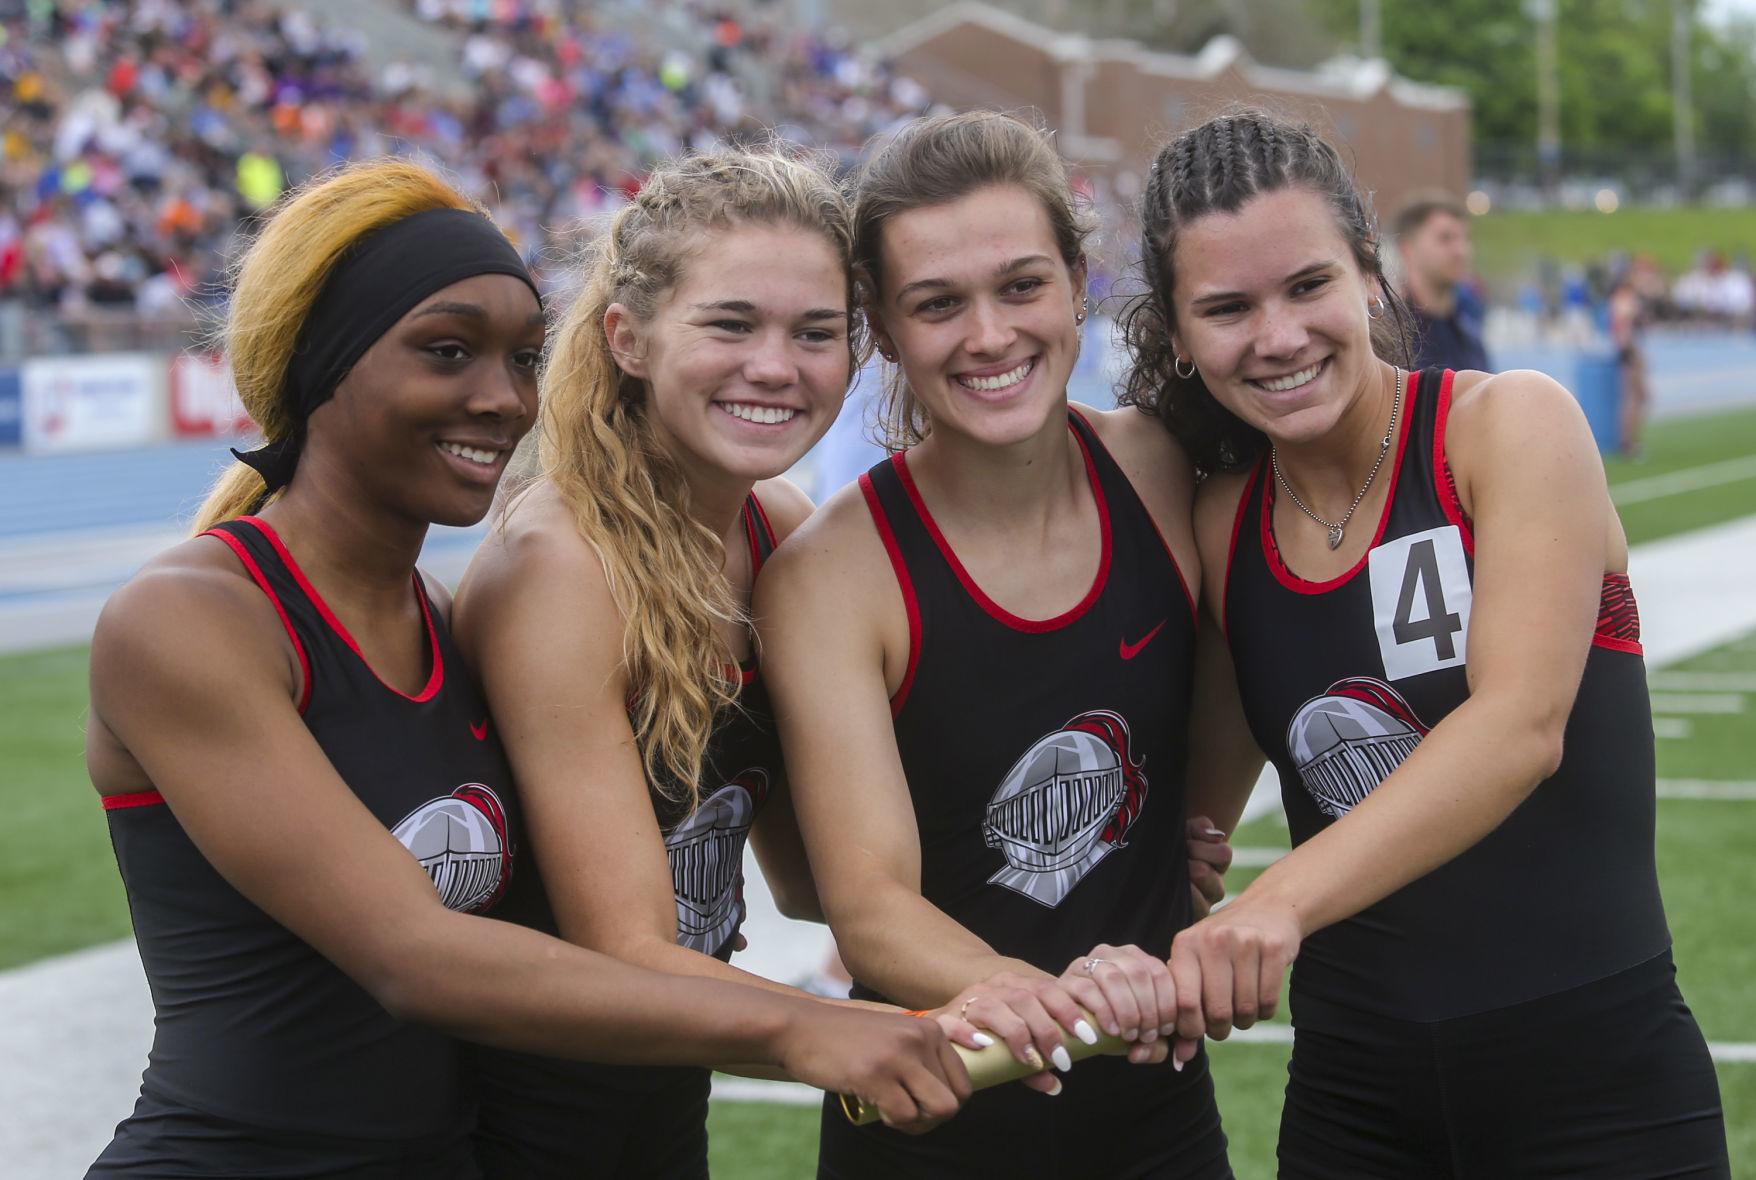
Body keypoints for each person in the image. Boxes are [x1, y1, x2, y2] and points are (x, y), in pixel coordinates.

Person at [84, 157, 970, 1178]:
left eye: (522, 359)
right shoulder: (189, 619)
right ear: (324, 363)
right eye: (448, 351)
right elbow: (413, 955)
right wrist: (801, 1025)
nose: (503, 398)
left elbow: (820, 872)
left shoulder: (432, 616)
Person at [1121, 109, 1729, 1179]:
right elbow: (1192, 827)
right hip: (1352, 1108)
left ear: (1369, 273)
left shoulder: (1506, 427)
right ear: (1175, 335)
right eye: (1226, 308)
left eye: (1307, 285)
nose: (1277, 335)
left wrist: (1278, 899)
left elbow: (1519, 727)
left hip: (1600, 1091)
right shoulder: (1222, 522)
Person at [452, 146, 994, 1179]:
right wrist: (832, 1028)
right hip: (512, 1116)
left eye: (815, 332)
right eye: (731, 324)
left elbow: (811, 879)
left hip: (661, 1089)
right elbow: (623, 950)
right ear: (629, 338)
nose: (776, 366)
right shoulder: (562, 568)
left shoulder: (775, 529)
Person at [756, 111, 1234, 1180]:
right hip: (935, 1124)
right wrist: (1063, 1001)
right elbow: (869, 906)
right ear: (882, 328)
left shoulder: (1163, 472)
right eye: (937, 303)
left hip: (1161, 1117)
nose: (988, 335)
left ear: (1077, 282)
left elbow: (1243, 681)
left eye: (1021, 285)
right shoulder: (831, 576)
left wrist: (1189, 831)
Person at [1391, 191, 1489, 373]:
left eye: (1465, 238)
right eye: (1445, 238)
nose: (1461, 251)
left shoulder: (1470, 338)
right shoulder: (1389, 338)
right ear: (1407, 249)